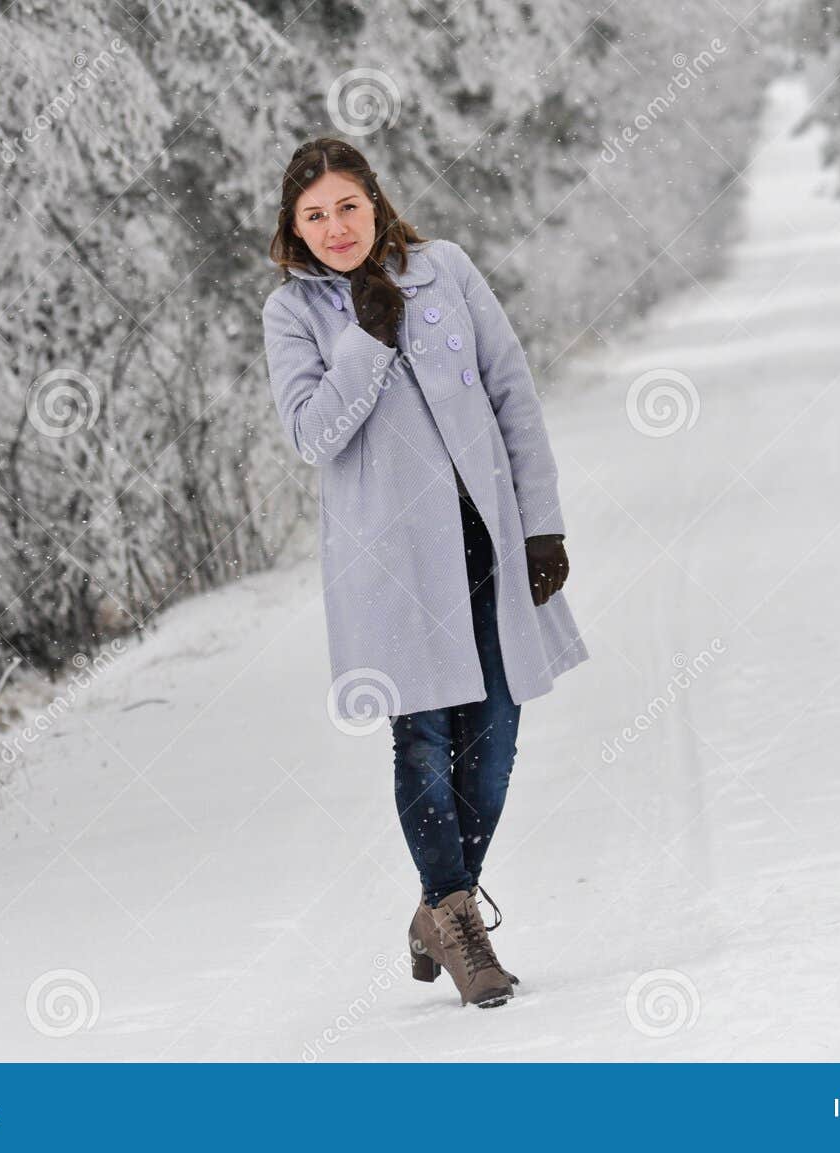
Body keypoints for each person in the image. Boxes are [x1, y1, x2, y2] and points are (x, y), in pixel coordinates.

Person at [262, 139, 590, 1008]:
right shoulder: (292, 315)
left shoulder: (444, 269)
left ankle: (437, 907)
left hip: (488, 538)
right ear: (295, 228)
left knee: (496, 736)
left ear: (375, 201)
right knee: (424, 738)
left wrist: (543, 523)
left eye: (348, 206)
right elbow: (310, 436)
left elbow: (511, 390)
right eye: (316, 215)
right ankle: (457, 920)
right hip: (393, 564)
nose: (336, 227)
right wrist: (367, 339)